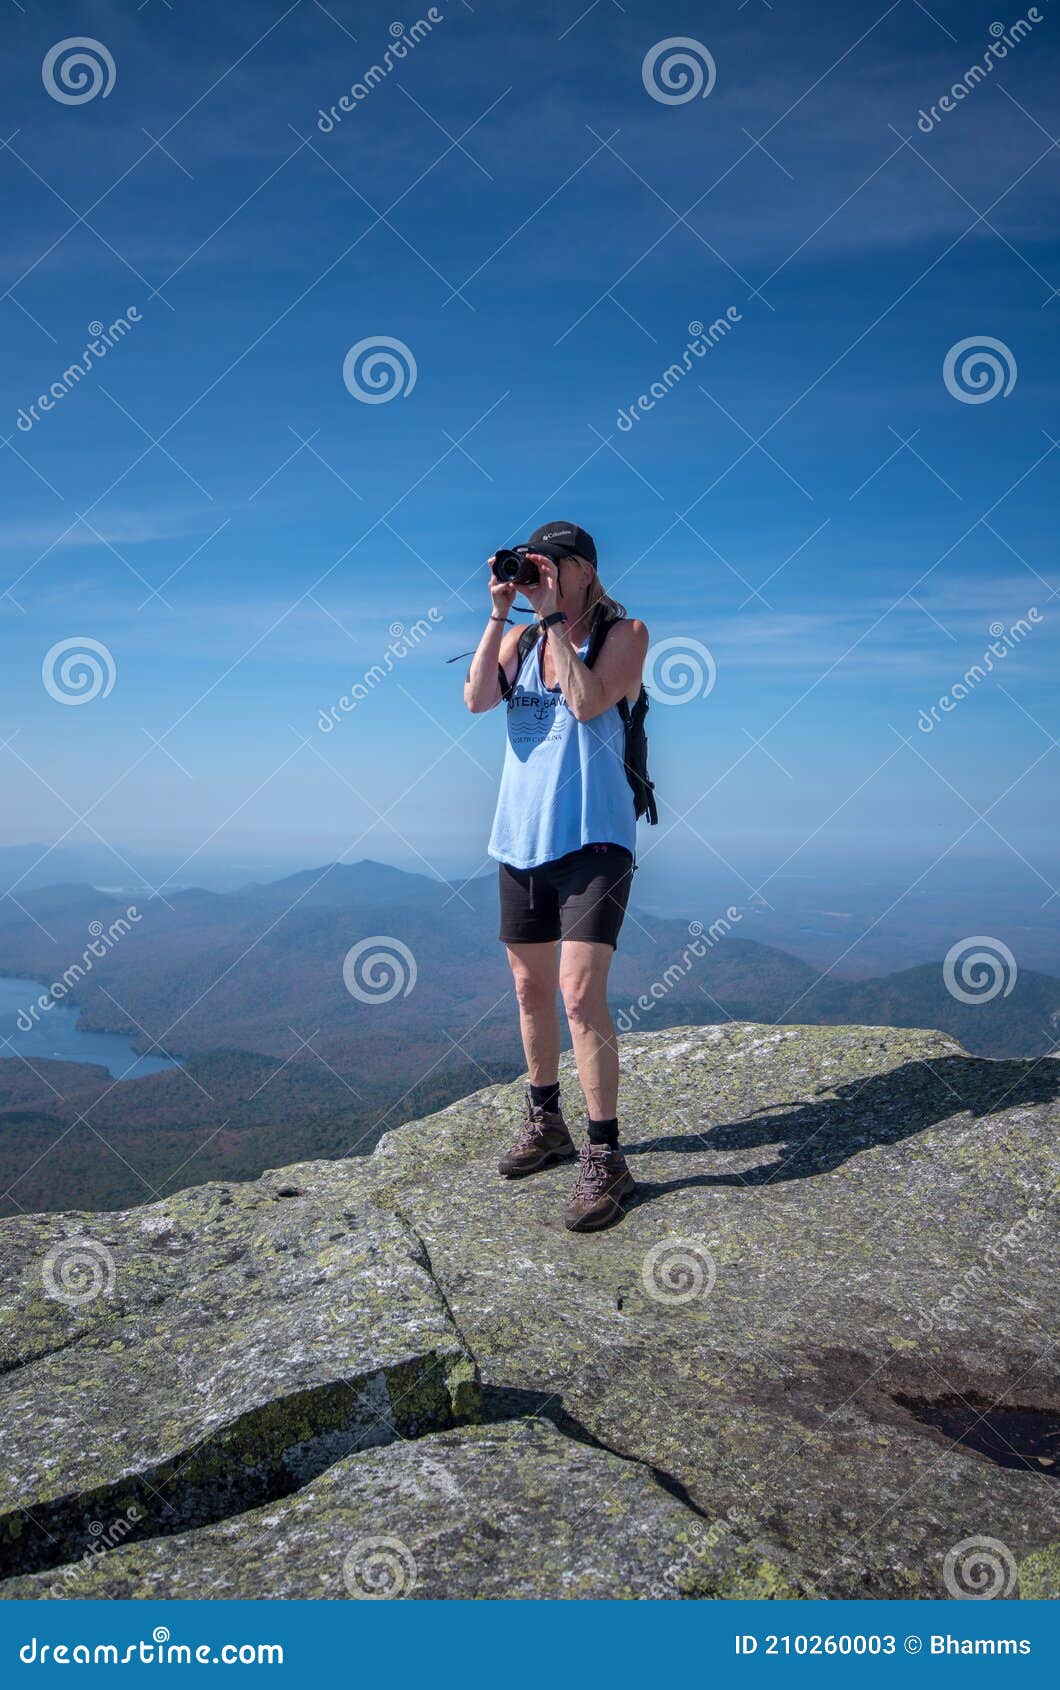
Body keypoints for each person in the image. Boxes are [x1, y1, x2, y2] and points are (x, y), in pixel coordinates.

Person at [464, 521, 649, 1231]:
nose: (537, 572)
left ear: (582, 571)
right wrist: (499, 614)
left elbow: (587, 702)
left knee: (578, 997)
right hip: (519, 841)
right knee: (528, 988)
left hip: (594, 842)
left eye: (549, 565)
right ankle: (547, 1125)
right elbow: (478, 699)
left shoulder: (624, 634)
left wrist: (552, 623)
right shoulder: (519, 638)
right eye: (530, 563)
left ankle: (606, 1157)